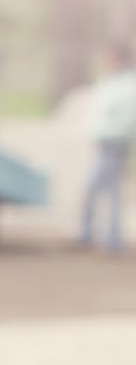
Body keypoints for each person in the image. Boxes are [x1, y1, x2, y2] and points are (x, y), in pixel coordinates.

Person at [78, 39, 136, 253]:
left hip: (115, 143)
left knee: (104, 191)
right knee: (100, 190)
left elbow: (127, 118)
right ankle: (92, 235)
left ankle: (106, 239)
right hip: (104, 142)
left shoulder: (128, 84)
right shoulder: (110, 81)